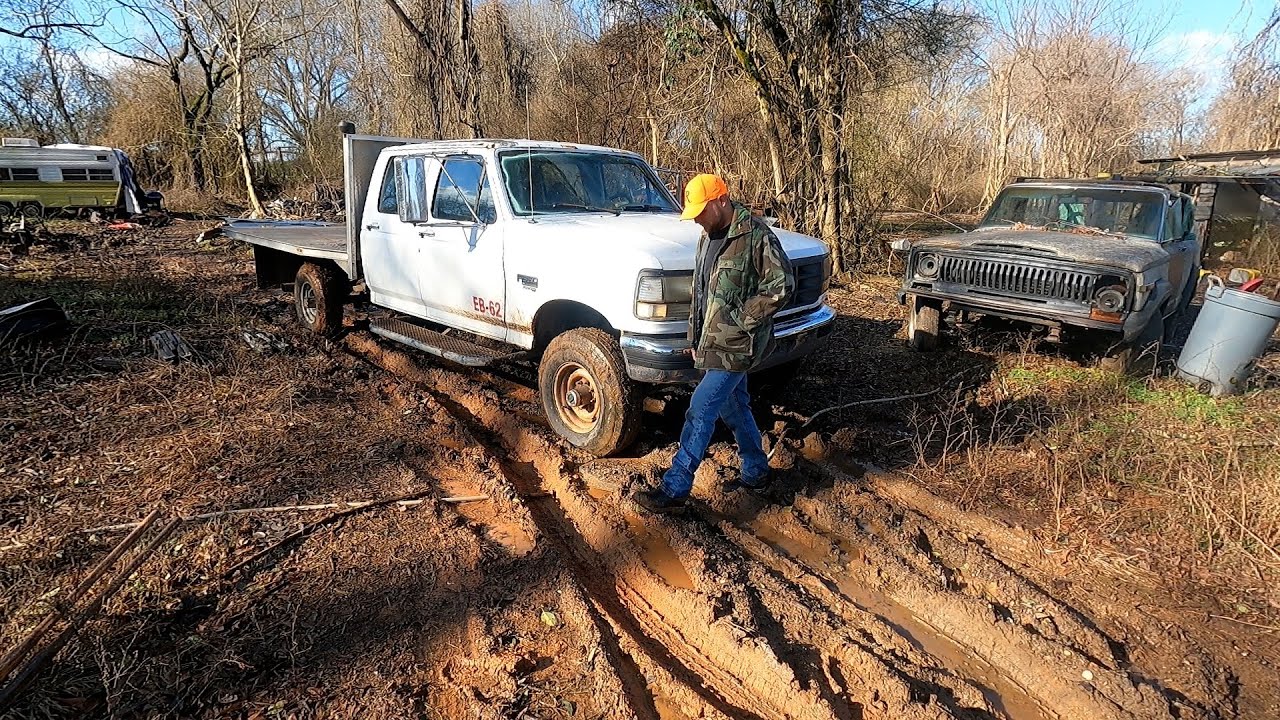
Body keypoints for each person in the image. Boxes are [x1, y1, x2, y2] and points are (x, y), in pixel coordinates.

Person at [637, 174, 792, 514]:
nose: (696, 219)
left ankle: (675, 487)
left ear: (721, 201)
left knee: (701, 408)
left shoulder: (755, 235)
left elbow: (781, 285)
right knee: (734, 407)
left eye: (700, 211)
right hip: (712, 344)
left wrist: (742, 321)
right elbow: (703, 292)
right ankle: (756, 471)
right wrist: (696, 338)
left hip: (739, 345)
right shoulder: (707, 236)